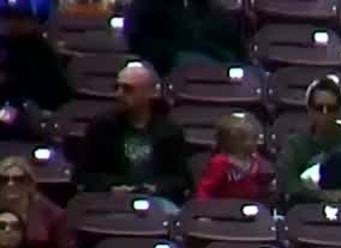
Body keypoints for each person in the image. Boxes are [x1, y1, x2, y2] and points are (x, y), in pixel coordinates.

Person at [77, 61, 193, 205]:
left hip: (156, 202)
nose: (119, 94)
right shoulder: (101, 127)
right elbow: (83, 176)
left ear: (148, 93)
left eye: (127, 89)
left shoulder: (169, 131)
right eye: (117, 87)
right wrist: (112, 187)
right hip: (110, 202)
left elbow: (180, 179)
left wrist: (155, 188)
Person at [277, 76, 341, 211]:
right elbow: (287, 181)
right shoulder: (296, 144)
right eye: (319, 107)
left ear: (340, 111)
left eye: (331, 108)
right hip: (308, 210)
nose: (325, 113)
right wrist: (322, 196)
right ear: (309, 110)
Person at [124, 0, 246, 76]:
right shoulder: (145, 7)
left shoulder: (211, 10)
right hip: (169, 65)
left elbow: (237, 48)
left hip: (220, 65)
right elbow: (139, 41)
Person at [0, 156, 78, 248]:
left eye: (19, 179)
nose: (11, 184)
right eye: (4, 180)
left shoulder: (52, 213)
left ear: (29, 182)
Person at [195, 112, 274, 203]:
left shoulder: (254, 157)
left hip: (250, 202)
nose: (259, 143)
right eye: (253, 139)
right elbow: (205, 190)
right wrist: (204, 211)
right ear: (235, 144)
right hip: (224, 206)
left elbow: (259, 179)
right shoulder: (220, 163)